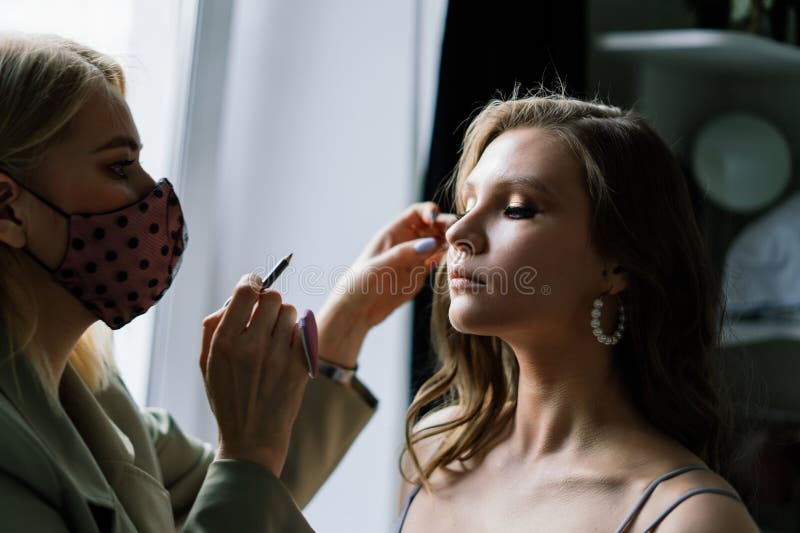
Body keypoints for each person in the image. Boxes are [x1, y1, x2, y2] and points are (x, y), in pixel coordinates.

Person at [0, 33, 449, 532]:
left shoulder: (92, 397)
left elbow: (250, 493)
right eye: (118, 165)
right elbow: (245, 478)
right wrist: (247, 450)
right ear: (8, 208)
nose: (155, 192)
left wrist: (351, 314)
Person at [392, 93, 762, 532]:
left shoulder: (690, 517)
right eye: (469, 204)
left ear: (617, 264)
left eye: (516, 209)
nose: (458, 232)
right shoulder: (435, 451)